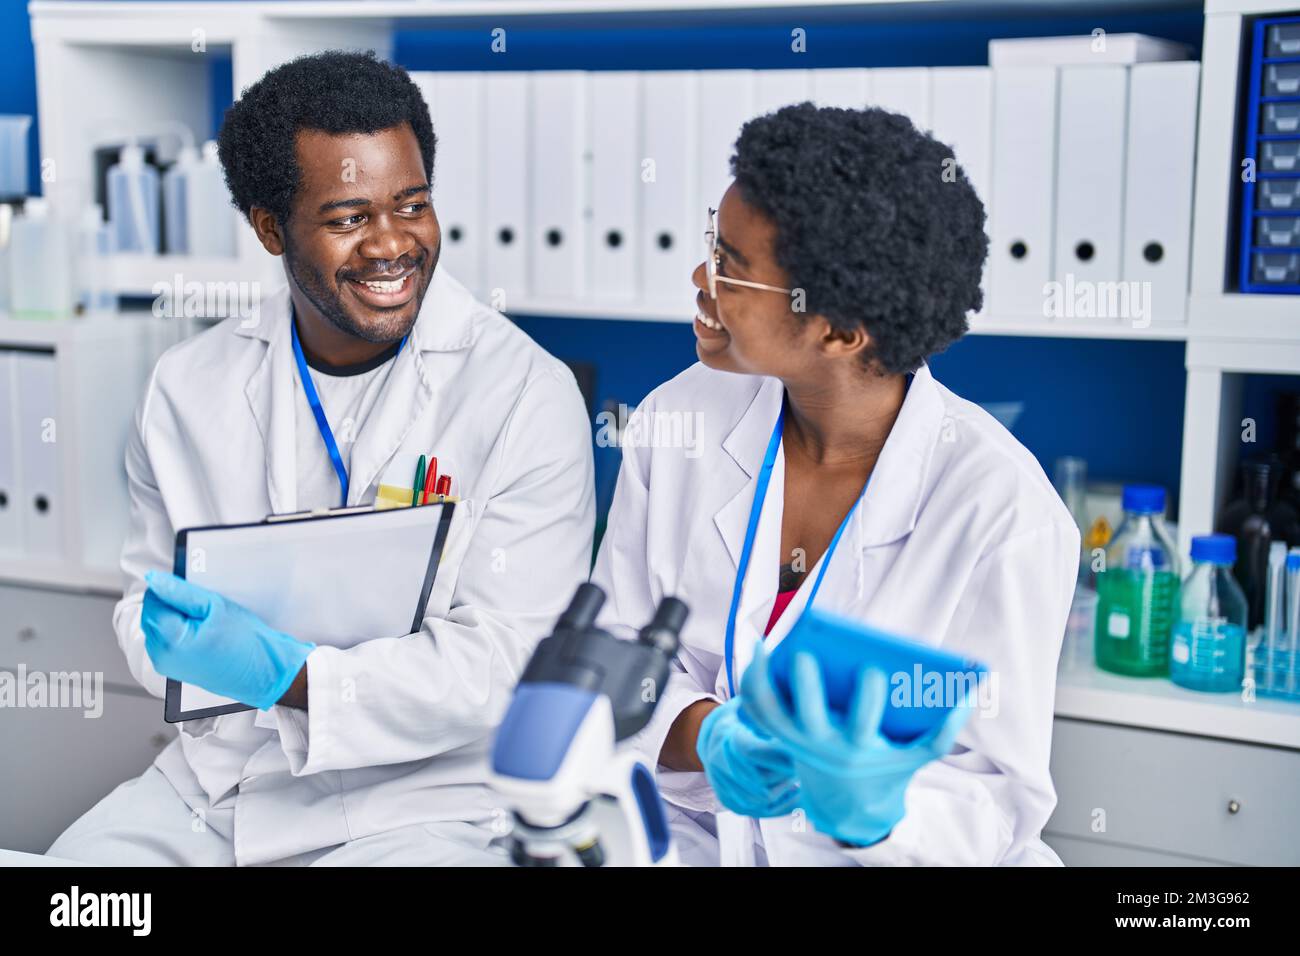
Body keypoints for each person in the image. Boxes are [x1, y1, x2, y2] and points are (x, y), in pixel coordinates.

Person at [48, 51, 594, 866]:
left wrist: (291, 677)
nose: (391, 245)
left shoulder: (523, 393)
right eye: (347, 218)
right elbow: (146, 600)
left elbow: (509, 664)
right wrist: (167, 637)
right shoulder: (187, 387)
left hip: (422, 804)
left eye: (412, 205)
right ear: (271, 228)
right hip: (218, 786)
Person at [590, 103, 1079, 866]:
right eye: (712, 247)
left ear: (842, 332)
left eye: (732, 269)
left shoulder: (1001, 509)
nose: (701, 279)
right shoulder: (676, 418)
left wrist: (876, 814)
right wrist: (706, 735)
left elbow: (991, 803)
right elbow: (615, 653)